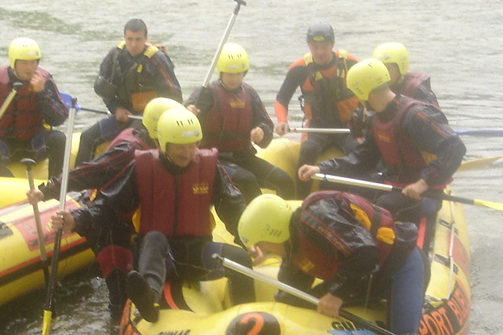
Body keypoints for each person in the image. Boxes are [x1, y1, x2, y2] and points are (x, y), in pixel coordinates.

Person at [236, 191, 477, 335]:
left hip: (401, 266)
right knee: (298, 302)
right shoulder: (292, 250)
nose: (267, 252)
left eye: (265, 246)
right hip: (369, 278)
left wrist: (338, 294)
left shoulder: (318, 218)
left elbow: (365, 252)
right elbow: (290, 293)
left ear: (274, 231)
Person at [50, 108, 253, 323]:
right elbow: (109, 204)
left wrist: (249, 241)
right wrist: (77, 219)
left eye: (192, 145)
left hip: (197, 254)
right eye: (180, 147)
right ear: (163, 144)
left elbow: (233, 206)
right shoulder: (143, 169)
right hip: (159, 257)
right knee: (154, 237)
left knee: (241, 259)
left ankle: (247, 317)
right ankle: (149, 301)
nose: (187, 153)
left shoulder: (210, 168)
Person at [298, 58, 464, 271]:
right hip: (393, 180)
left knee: (387, 204)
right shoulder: (376, 117)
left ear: (364, 91)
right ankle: (350, 252)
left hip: (425, 191)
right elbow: (362, 158)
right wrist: (322, 168)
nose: (356, 99)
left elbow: (455, 147)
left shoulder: (416, 114)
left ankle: (387, 263)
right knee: (350, 191)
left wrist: (423, 183)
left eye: (356, 94)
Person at [29, 97, 182, 319]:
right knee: (119, 294)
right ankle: (115, 330)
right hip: (108, 221)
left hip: (131, 219)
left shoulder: (167, 151)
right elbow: (88, 172)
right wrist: (48, 190)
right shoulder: (129, 150)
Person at [186, 42, 294, 202]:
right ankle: (256, 220)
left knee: (284, 180)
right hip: (214, 158)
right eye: (229, 74)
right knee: (247, 180)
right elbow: (180, 121)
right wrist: (189, 113)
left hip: (243, 156)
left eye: (238, 74)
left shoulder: (249, 93)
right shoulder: (206, 93)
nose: (234, 78)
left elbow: (266, 126)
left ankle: (288, 220)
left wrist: (261, 131)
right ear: (221, 72)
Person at [74, 19, 181, 167]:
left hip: (148, 121)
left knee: (124, 144)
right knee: (87, 137)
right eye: (130, 39)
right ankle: (78, 185)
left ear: (146, 39)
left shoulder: (157, 59)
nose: (134, 44)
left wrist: (154, 116)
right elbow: (104, 89)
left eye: (138, 40)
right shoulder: (115, 55)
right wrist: (116, 108)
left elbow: (175, 96)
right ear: (124, 37)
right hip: (123, 115)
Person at [0, 37, 68, 178]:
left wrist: (41, 93)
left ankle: (55, 186)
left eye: (33, 62)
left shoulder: (45, 82)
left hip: (34, 143)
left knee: (59, 139)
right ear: (14, 63)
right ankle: (11, 189)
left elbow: (58, 118)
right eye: (24, 63)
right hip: (2, 143)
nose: (30, 68)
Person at [273, 22, 362, 168]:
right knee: (308, 150)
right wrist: (282, 120)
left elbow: (371, 93)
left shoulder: (350, 63)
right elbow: (281, 99)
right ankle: (303, 191)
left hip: (348, 125)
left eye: (324, 47)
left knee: (357, 151)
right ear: (308, 45)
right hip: (317, 127)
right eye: (315, 47)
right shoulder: (299, 69)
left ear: (332, 44)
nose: (319, 52)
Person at [371, 41, 446, 117]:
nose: (382, 73)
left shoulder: (417, 90)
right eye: (379, 68)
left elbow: (435, 119)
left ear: (401, 68)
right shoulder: (372, 89)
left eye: (388, 68)